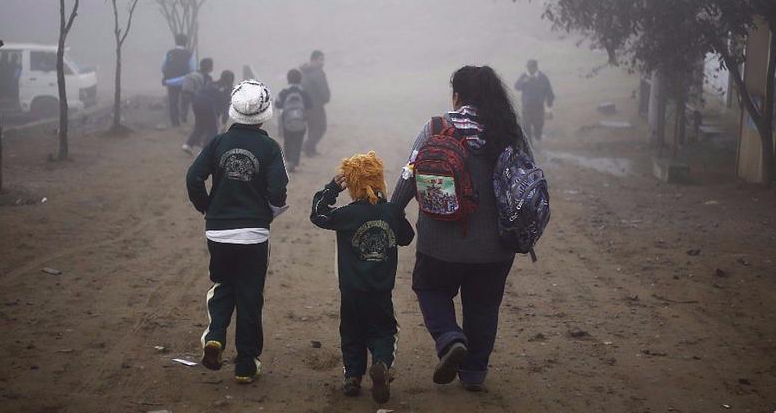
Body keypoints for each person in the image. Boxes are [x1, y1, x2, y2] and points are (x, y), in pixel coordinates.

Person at [390, 65, 528, 393]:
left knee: (431, 290)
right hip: (495, 246)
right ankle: (475, 373)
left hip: (440, 243)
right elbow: (527, 180)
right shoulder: (508, 132)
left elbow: (410, 174)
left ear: (457, 95)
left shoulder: (437, 127)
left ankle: (450, 338)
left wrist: (393, 211)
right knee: (483, 305)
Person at [186, 79, 289, 384]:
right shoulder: (270, 147)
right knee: (249, 294)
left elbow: (193, 178)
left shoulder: (218, 143)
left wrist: (207, 207)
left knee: (222, 284)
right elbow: (279, 189)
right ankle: (246, 363)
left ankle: (215, 335)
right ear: (265, 113)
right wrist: (270, 208)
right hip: (254, 234)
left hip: (218, 232)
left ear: (233, 111)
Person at [310, 151, 414, 404]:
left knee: (352, 332)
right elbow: (407, 237)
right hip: (380, 290)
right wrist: (395, 213)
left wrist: (332, 187)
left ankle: (352, 378)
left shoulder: (346, 214)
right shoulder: (390, 211)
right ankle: (381, 363)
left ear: (351, 184)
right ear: (380, 180)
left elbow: (318, 214)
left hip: (351, 289)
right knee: (384, 331)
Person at [183, 69, 235, 154]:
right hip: (208, 105)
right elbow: (225, 108)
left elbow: (202, 92)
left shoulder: (211, 83)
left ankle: (188, 144)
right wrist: (224, 122)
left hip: (197, 103)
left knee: (200, 125)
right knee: (213, 129)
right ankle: (205, 151)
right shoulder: (228, 90)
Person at [274, 69, 313, 172]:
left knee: (288, 141)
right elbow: (310, 105)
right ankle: (294, 163)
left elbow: (277, 104)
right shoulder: (303, 92)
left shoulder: (284, 92)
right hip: (301, 123)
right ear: (300, 80)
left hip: (287, 123)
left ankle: (288, 161)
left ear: (288, 79)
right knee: (298, 142)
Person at [514, 59, 554, 145]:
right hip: (527, 106)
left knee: (539, 125)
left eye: (531, 67)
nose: (529, 69)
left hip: (539, 107)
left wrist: (549, 108)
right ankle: (530, 145)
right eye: (528, 67)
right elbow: (517, 86)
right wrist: (523, 82)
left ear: (535, 68)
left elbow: (549, 93)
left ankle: (538, 136)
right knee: (526, 126)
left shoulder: (543, 78)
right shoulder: (524, 76)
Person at [300, 50, 330, 157]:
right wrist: (326, 98)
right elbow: (322, 89)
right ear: (314, 60)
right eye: (321, 59)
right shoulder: (317, 73)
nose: (322, 62)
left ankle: (311, 150)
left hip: (305, 104)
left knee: (312, 127)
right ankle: (307, 146)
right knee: (321, 127)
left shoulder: (304, 72)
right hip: (316, 105)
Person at [162, 33, 196, 127]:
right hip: (185, 82)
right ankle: (183, 117)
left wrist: (167, 77)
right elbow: (193, 69)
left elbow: (164, 67)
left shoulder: (169, 53)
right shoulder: (189, 55)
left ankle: (175, 123)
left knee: (173, 102)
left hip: (171, 82)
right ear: (186, 42)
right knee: (185, 101)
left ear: (175, 41)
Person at [181, 57, 215, 124]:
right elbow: (208, 91)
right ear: (209, 67)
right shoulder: (207, 78)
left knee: (185, 110)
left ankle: (183, 121)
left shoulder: (191, 74)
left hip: (185, 95)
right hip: (196, 97)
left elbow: (185, 88)